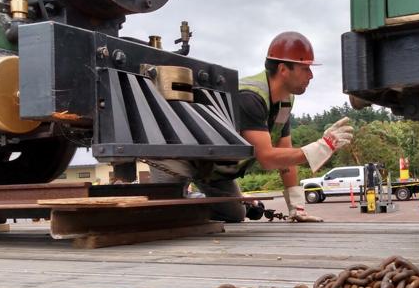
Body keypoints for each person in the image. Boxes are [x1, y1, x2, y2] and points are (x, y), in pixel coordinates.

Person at [148, 31, 353, 222]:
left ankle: (192, 199)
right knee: (167, 213)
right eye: (305, 68)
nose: (311, 75)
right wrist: (321, 147)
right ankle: (185, 200)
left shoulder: (284, 101)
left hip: (212, 167)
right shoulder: (250, 98)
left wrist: (297, 206)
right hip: (178, 154)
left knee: (234, 214)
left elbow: (285, 155)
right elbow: (266, 158)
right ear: (283, 69)